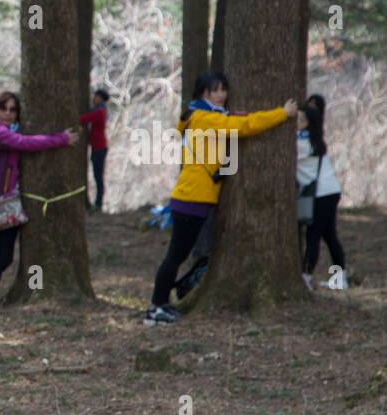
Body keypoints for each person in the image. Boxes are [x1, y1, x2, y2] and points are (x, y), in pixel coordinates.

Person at [145, 71, 297, 324]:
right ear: (204, 93)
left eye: (223, 89)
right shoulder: (206, 118)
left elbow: (236, 121)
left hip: (194, 196)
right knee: (176, 255)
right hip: (193, 198)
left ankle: (160, 305)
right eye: (215, 90)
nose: (222, 94)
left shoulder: (202, 115)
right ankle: (155, 308)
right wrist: (282, 113)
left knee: (179, 254)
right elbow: (244, 126)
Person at [0, 92, 80, 311]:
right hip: (1, 202)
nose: (8, 114)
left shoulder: (1, 130)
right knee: (3, 258)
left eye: (12, 110)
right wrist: (61, 139)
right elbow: (24, 143)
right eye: (3, 109)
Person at [297, 101, 346, 289]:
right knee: (329, 236)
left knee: (313, 236)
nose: (297, 122)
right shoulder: (314, 141)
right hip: (330, 191)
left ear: (309, 123)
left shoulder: (301, 144)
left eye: (301, 120)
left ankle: (306, 278)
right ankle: (339, 280)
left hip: (322, 194)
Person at [79, 88, 109, 212]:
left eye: (96, 96)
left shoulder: (100, 112)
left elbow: (83, 119)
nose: (94, 99)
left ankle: (99, 203)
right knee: (97, 175)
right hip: (98, 146)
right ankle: (98, 202)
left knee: (98, 176)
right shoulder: (100, 110)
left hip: (99, 147)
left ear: (101, 99)